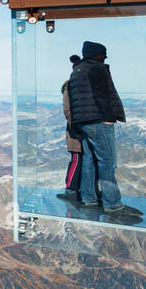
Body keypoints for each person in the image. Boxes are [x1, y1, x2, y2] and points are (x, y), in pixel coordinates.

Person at [65, 41, 139, 218]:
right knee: (107, 162)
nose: (105, 56)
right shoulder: (96, 69)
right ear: (96, 54)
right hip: (99, 121)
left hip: (83, 123)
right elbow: (102, 96)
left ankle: (88, 199)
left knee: (90, 160)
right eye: (103, 53)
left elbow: (75, 102)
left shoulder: (76, 71)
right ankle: (112, 204)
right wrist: (108, 119)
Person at [57, 55, 84, 202]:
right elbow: (68, 110)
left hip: (80, 129)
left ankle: (79, 189)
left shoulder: (81, 85)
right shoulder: (70, 86)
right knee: (76, 159)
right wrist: (75, 129)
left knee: (83, 160)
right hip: (75, 131)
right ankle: (70, 189)